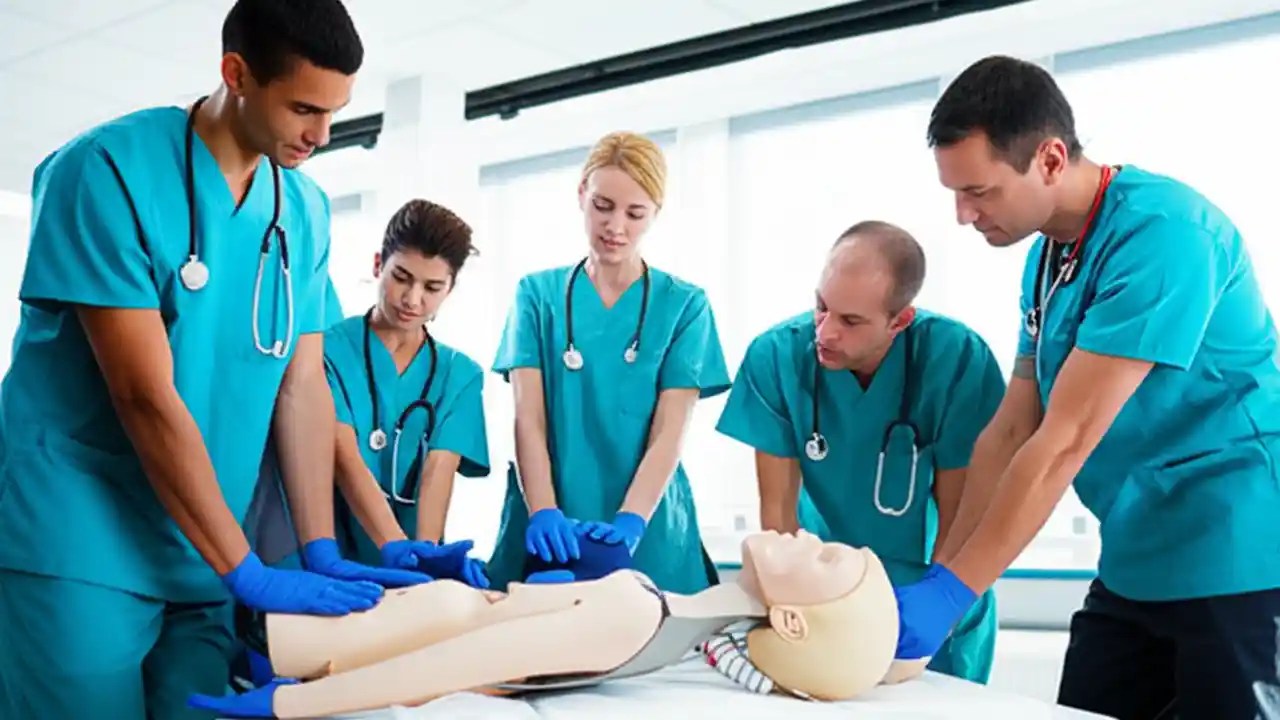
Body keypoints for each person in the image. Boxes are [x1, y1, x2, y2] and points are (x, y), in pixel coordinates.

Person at [0, 2, 413, 718]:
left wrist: (317, 545)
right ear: (237, 74)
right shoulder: (105, 171)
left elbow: (302, 387)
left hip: (202, 551)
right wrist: (245, 568)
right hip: (79, 538)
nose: (322, 135)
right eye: (303, 108)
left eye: (336, 111)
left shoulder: (304, 209)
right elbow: (143, 395)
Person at [893, 54, 1280, 720]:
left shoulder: (1165, 234)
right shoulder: (1048, 258)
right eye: (954, 193)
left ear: (1048, 159)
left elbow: (1063, 439)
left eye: (979, 192)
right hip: (1136, 558)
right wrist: (944, 573)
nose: (962, 214)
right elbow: (1012, 428)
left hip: (1240, 556)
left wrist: (956, 592)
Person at [188, 529, 917, 718]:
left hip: (265, 639)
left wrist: (289, 701)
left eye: (823, 559)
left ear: (790, 621)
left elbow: (446, 669)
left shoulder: (638, 613)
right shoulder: (665, 619)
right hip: (296, 621)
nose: (803, 535)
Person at [714, 221, 1005, 683]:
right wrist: (794, 607)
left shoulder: (954, 359)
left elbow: (961, 512)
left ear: (900, 320)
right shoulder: (778, 358)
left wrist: (942, 600)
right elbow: (778, 516)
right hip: (828, 594)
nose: (825, 332)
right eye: (821, 307)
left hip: (931, 590)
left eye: (850, 321)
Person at [487, 131, 732, 594]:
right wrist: (542, 510)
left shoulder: (684, 305)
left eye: (634, 213)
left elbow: (669, 432)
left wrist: (632, 522)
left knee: (654, 651)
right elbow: (529, 419)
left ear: (655, 214)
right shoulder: (537, 297)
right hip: (550, 524)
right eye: (603, 206)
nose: (615, 226)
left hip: (649, 530)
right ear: (581, 194)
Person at [323, 199, 491, 588]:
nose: (413, 300)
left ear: (450, 289)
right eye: (402, 277)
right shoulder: (326, 351)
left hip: (410, 565)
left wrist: (423, 558)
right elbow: (342, 455)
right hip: (330, 560)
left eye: (432, 287)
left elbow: (438, 472)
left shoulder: (460, 376)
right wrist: (393, 545)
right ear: (378, 264)